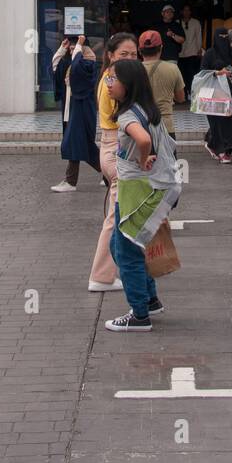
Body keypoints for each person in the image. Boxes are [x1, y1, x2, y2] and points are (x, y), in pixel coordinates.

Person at [104, 59, 181, 333]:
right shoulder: (146, 109)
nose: (108, 85)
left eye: (113, 79)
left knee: (126, 251)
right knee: (120, 245)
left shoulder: (128, 116)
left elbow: (144, 140)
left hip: (144, 191)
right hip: (150, 187)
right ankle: (149, 300)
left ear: (129, 84)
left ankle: (139, 315)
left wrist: (142, 158)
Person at [88, 31, 137, 293]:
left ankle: (107, 273)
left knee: (118, 214)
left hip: (112, 148)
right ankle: (101, 276)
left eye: (133, 54)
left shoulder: (114, 78)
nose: (130, 58)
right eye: (123, 54)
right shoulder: (113, 82)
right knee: (115, 218)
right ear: (110, 55)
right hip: (115, 148)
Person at [51, 34, 103, 192]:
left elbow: (77, 70)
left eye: (76, 48)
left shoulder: (89, 64)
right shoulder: (73, 62)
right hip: (71, 109)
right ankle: (111, 174)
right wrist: (62, 49)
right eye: (71, 49)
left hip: (82, 109)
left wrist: (79, 47)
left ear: (84, 49)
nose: (73, 51)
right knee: (85, 145)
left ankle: (70, 182)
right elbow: (55, 67)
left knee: (75, 142)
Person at [138, 30, 186, 136]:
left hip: (139, 127)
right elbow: (181, 98)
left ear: (139, 50)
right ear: (161, 48)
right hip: (165, 126)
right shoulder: (172, 68)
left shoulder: (133, 70)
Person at [200, 28, 232, 163]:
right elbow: (202, 72)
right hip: (213, 94)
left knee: (227, 122)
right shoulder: (210, 54)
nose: (223, 39)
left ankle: (219, 147)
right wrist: (217, 73)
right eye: (220, 36)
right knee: (216, 123)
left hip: (228, 93)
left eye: (225, 36)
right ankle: (221, 151)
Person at [178, 4, 203, 97]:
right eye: (184, 10)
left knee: (191, 73)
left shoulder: (195, 22)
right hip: (180, 53)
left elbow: (198, 36)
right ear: (181, 12)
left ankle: (191, 92)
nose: (186, 12)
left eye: (188, 10)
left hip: (192, 52)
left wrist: (199, 48)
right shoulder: (178, 22)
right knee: (181, 75)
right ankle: (183, 94)